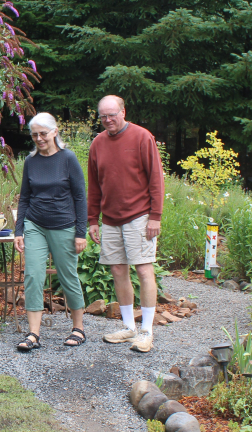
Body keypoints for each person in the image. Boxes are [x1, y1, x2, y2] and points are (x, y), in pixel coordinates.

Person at [87, 95, 165, 353]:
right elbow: (94, 185)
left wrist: (155, 216)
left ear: (123, 112)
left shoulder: (142, 137)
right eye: (103, 116)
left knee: (143, 270)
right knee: (118, 271)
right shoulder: (98, 144)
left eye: (112, 114)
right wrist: (93, 219)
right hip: (110, 219)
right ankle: (129, 327)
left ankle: (147, 332)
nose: (108, 120)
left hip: (139, 216)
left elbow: (156, 179)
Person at [13, 112, 87, 351]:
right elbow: (25, 197)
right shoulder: (31, 161)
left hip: (64, 225)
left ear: (54, 132)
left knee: (67, 276)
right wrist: (19, 230)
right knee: (33, 275)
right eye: (34, 135)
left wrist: (81, 233)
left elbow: (80, 197)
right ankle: (33, 334)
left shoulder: (68, 159)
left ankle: (78, 328)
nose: (39, 139)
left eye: (43, 134)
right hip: (35, 224)